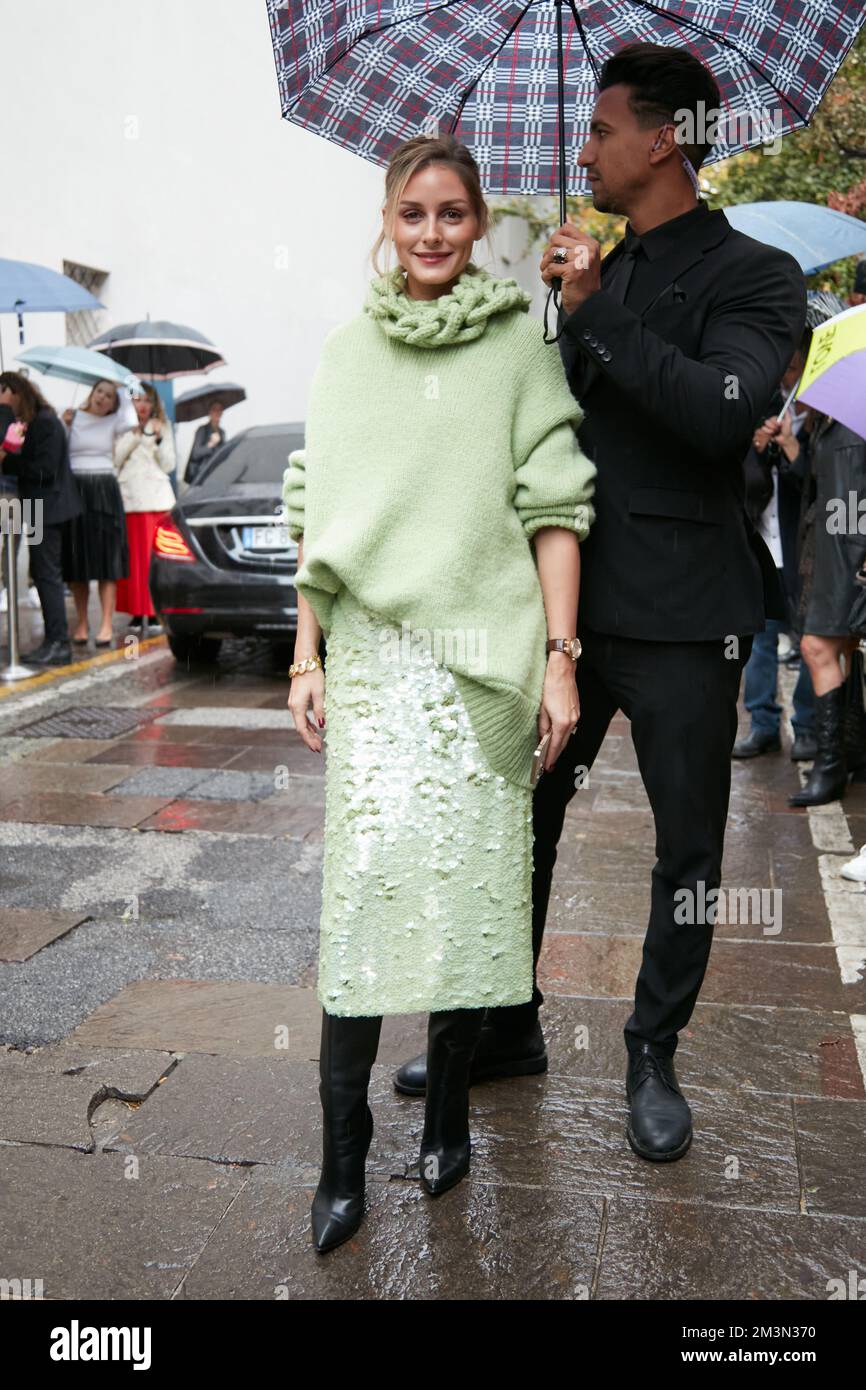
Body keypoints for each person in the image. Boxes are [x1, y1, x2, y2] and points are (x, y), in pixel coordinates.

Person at [393, 43, 806, 1165]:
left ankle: (650, 1051)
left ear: (664, 137)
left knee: (685, 853)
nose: (582, 148)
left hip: (688, 618)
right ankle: (503, 1025)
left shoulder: (756, 275)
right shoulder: (598, 271)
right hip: (567, 615)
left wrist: (591, 312)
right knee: (516, 823)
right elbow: (563, 442)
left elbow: (718, 411)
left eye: (600, 128)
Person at [283, 132, 596, 1253]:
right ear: (386, 219)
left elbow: (555, 504)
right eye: (411, 213)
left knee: (470, 897)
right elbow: (315, 512)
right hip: (373, 660)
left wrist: (559, 659)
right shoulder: (343, 354)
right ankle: (340, 1155)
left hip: (483, 658)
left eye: (451, 213)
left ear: (476, 224)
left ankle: (452, 1111)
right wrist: (306, 653)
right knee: (364, 896)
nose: (430, 232)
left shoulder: (520, 346)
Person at [774, 292, 866, 806]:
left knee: (816, 648)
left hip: (843, 558)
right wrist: (792, 447)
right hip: (833, 554)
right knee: (841, 653)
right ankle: (847, 758)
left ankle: (832, 767)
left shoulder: (849, 424)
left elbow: (851, 502)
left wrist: (853, 569)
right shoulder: (833, 419)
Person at [732, 350, 816, 761]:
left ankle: (807, 728)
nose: (788, 371)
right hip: (764, 544)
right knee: (760, 641)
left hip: (804, 551)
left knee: (810, 643)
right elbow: (748, 480)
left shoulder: (822, 421)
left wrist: (792, 446)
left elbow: (817, 486)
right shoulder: (765, 406)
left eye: (795, 364)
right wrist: (760, 447)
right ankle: (763, 724)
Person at [0, 372, 82, 665]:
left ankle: (59, 642)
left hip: (47, 509)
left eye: (2, 393)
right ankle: (53, 639)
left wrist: (9, 461)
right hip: (37, 507)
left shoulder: (46, 422)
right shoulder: (35, 423)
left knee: (47, 574)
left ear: (15, 391)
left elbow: (44, 470)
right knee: (41, 571)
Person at [61, 379, 137, 648]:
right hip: (76, 487)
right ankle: (82, 622)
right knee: (76, 561)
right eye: (99, 392)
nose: (103, 398)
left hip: (104, 487)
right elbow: (61, 450)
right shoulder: (72, 416)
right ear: (91, 392)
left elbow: (131, 419)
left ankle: (106, 623)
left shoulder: (115, 421)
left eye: (108, 396)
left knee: (107, 560)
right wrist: (65, 424)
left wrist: (124, 388)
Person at [114, 383, 176, 631]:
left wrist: (158, 439)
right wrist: (135, 434)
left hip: (157, 500)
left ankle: (153, 610)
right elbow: (116, 459)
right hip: (130, 500)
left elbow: (169, 464)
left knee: (153, 560)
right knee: (133, 560)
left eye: (147, 400)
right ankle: (136, 611)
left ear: (154, 405)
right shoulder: (123, 428)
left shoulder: (162, 427)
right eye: (138, 399)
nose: (142, 405)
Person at [184, 402, 225, 487]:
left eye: (220, 409)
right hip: (201, 475)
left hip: (216, 475)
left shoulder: (222, 432)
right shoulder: (202, 430)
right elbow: (195, 453)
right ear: (209, 412)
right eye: (214, 409)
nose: (217, 412)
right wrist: (211, 444)